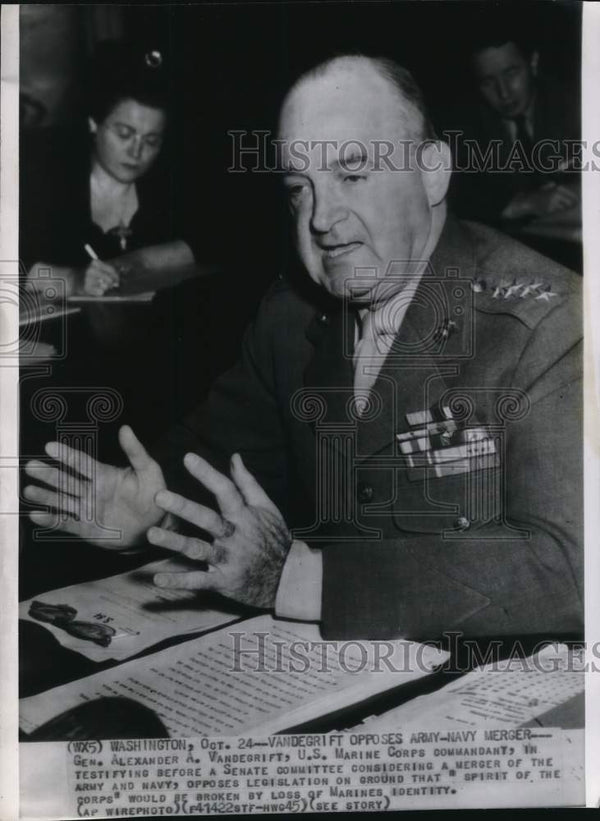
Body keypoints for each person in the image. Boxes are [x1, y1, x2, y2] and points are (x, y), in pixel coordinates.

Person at [23, 54, 582, 642]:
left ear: (433, 172)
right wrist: (152, 510)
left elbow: (571, 572)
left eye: (352, 174)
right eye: (299, 188)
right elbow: (211, 459)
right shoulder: (292, 317)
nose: (321, 218)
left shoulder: (551, 322)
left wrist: (298, 580)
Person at [21, 42, 204, 298]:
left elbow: (206, 242)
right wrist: (71, 280)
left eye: (151, 141)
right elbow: (12, 264)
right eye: (124, 134)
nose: (136, 152)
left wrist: (136, 262)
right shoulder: (48, 183)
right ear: (93, 123)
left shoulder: (167, 187)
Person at [448, 26, 580, 227]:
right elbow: (455, 197)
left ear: (533, 63)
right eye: (488, 82)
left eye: (511, 73)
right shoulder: (467, 127)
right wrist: (521, 203)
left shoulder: (576, 104)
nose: (504, 93)